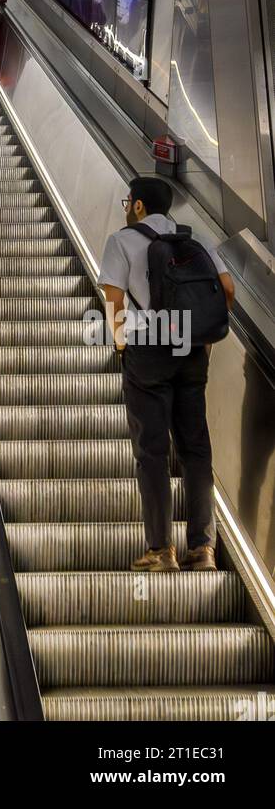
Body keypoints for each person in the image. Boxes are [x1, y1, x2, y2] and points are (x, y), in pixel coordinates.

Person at [98, 178, 235, 574]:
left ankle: (161, 550)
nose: (127, 208)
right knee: (196, 449)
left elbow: (114, 301)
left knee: (153, 451)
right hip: (190, 349)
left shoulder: (122, 241)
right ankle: (203, 549)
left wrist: (122, 346)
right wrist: (201, 339)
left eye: (128, 201)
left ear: (138, 206)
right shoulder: (196, 239)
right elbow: (227, 290)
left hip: (148, 350)